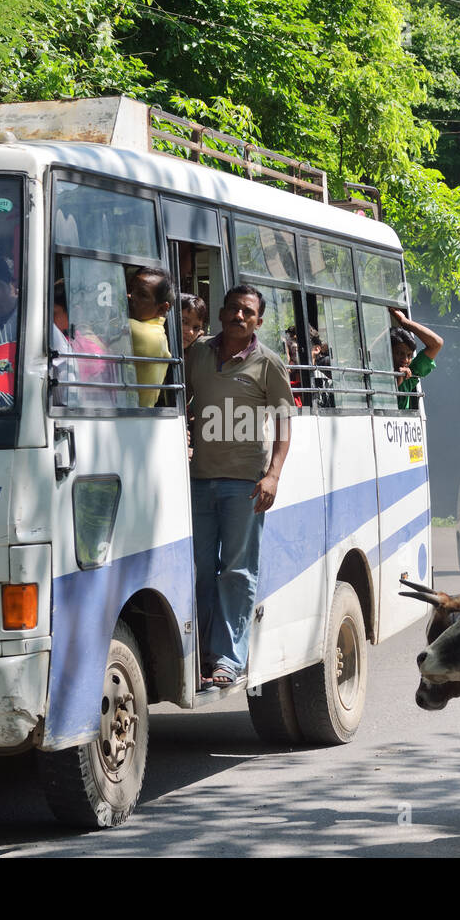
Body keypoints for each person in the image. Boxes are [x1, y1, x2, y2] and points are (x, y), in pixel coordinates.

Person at [185, 284, 295, 689]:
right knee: (197, 570)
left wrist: (273, 475)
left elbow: (285, 425)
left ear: (258, 321)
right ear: (220, 314)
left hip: (245, 485)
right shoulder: (196, 355)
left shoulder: (269, 364)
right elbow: (181, 405)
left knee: (236, 572)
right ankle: (199, 653)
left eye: (247, 313)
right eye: (233, 310)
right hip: (197, 482)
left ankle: (228, 660)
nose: (239, 317)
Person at [127, 266, 174, 408]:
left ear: (161, 308)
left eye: (142, 294)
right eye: (131, 290)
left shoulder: (147, 335)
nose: (130, 296)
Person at [390, 307, 443, 410]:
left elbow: (437, 343)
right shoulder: (376, 372)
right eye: (399, 353)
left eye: (409, 355)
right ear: (388, 351)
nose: (405, 360)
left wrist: (404, 321)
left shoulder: (410, 374)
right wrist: (398, 377)